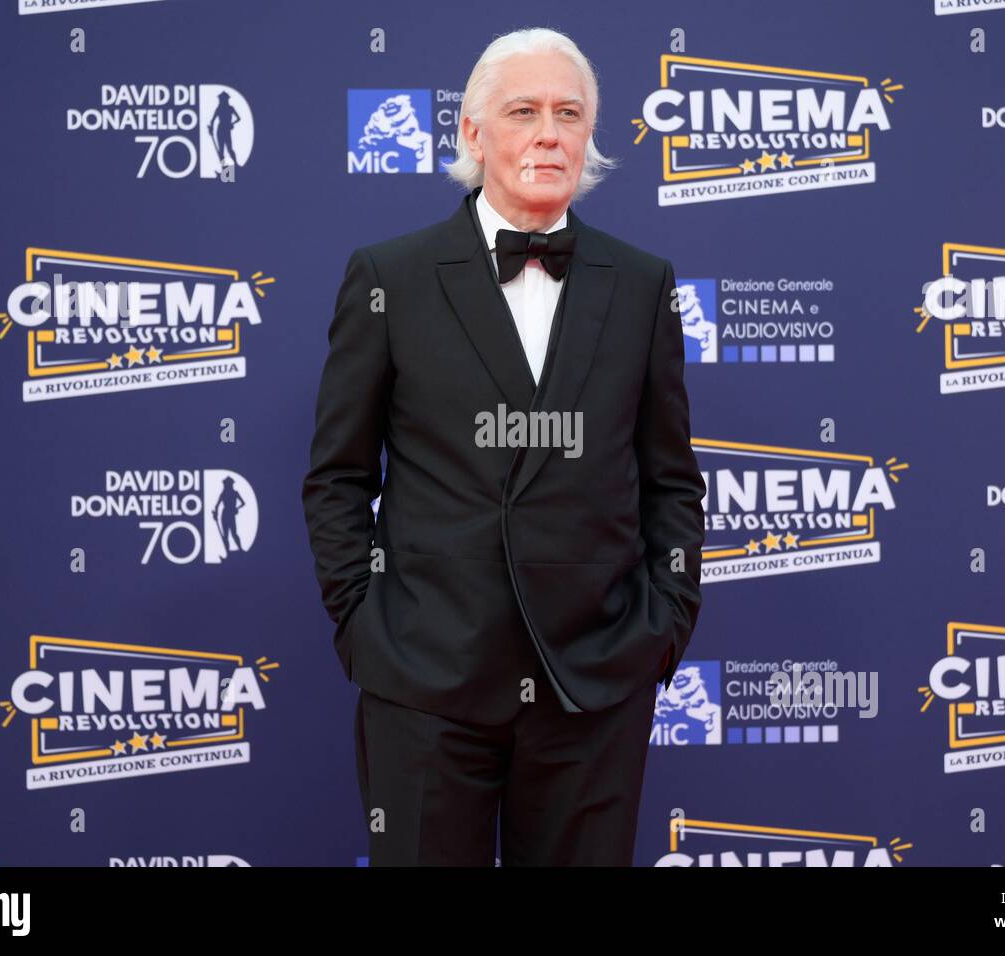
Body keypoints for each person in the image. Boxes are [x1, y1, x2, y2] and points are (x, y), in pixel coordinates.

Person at [301, 27, 705, 866]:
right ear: (473, 133)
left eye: (569, 112)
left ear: (591, 134)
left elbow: (670, 480)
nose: (549, 133)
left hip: (593, 685)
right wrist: (365, 627)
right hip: (425, 683)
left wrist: (660, 630)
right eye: (524, 111)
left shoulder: (641, 284)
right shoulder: (390, 278)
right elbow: (338, 476)